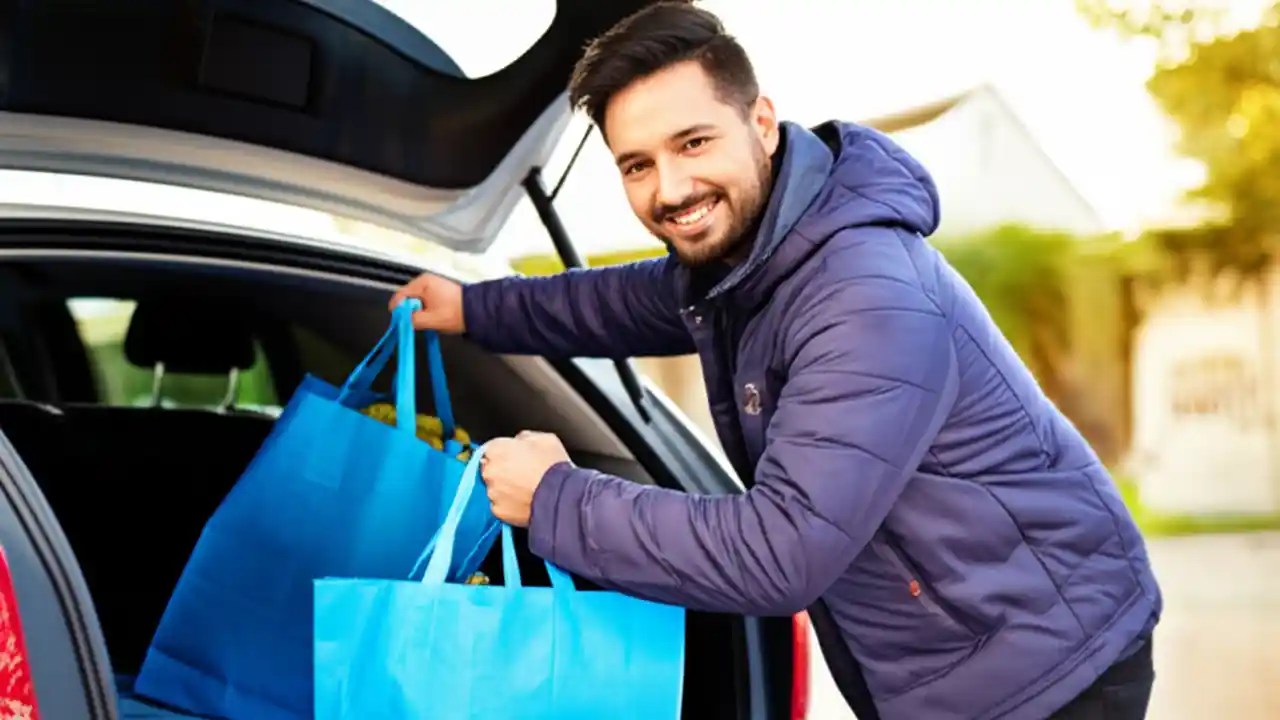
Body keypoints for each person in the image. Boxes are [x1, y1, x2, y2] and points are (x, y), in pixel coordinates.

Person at [390, 2, 1161, 718]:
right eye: (637, 165)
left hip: (1051, 670)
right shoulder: (749, 262)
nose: (672, 188)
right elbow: (618, 301)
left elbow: (779, 554)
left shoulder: (864, 296)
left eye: (693, 143)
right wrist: (473, 308)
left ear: (761, 121)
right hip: (955, 653)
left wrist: (556, 498)